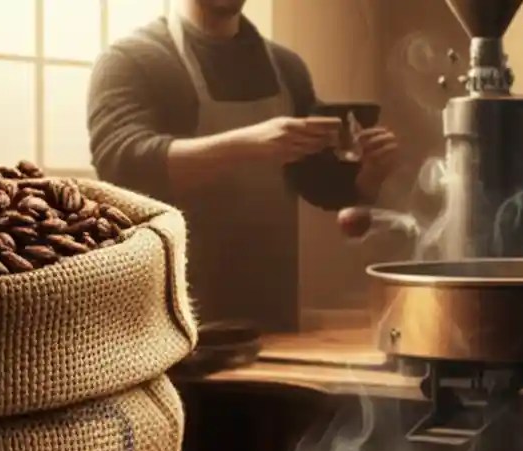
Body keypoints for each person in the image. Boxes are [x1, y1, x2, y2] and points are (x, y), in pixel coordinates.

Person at [88, 0, 400, 332]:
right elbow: (121, 161)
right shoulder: (130, 60)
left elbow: (318, 183)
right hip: (171, 322)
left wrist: (369, 175)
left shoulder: (286, 67)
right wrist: (249, 145)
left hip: (271, 315)